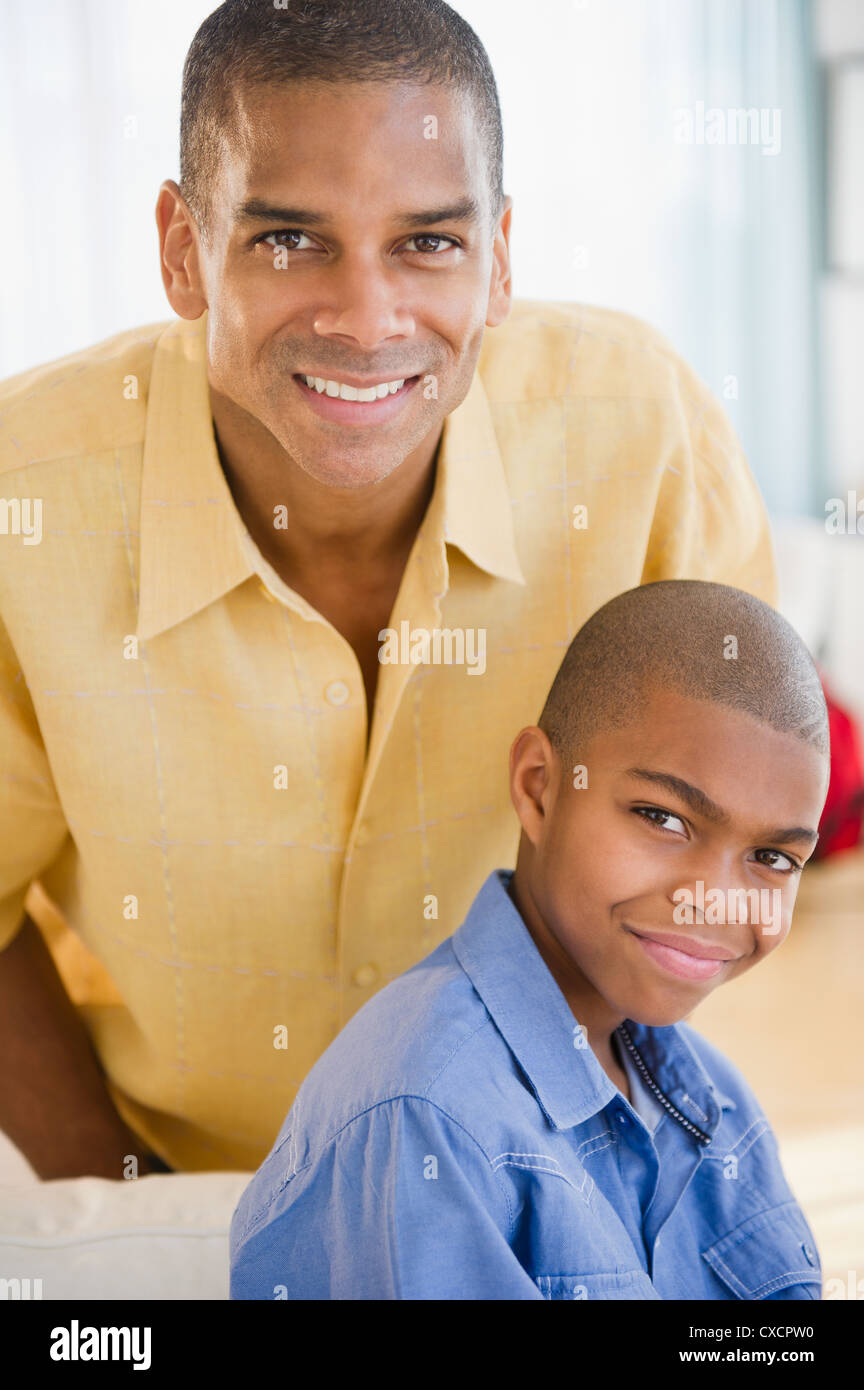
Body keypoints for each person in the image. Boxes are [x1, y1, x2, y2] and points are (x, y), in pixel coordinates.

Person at [0, 0, 778, 1179]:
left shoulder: (645, 433)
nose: (367, 322)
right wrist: (130, 1203)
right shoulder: (29, 498)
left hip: (555, 1152)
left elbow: (734, 855)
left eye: (428, 242)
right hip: (184, 1175)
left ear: (501, 252)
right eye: (287, 240)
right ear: (180, 247)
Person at [230, 580, 828, 1300]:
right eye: (663, 818)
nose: (714, 899)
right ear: (540, 786)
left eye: (771, 859)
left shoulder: (714, 1101)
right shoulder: (430, 1116)